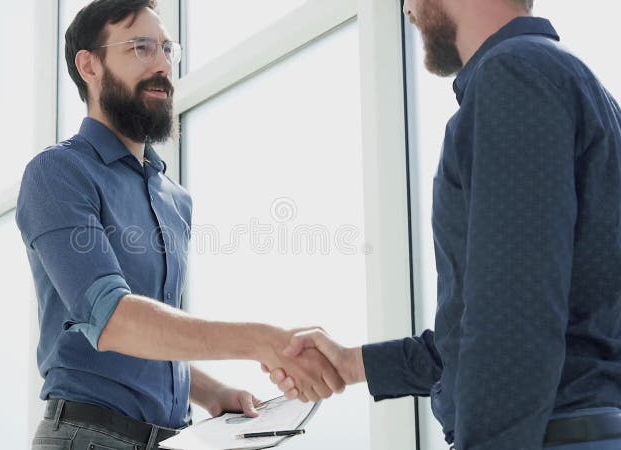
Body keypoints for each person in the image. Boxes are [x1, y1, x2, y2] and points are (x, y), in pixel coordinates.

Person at [266, 0, 621, 448]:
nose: (407, 10)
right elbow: (498, 323)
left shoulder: (514, 76)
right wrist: (353, 364)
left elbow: (514, 320)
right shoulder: (565, 80)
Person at [15, 1, 345, 449]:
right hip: (88, 438)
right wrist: (261, 340)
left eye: (167, 49)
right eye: (141, 48)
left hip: (173, 439)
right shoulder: (58, 173)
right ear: (89, 65)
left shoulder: (174, 199)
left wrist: (211, 392)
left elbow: (151, 336)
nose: (163, 66)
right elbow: (112, 320)